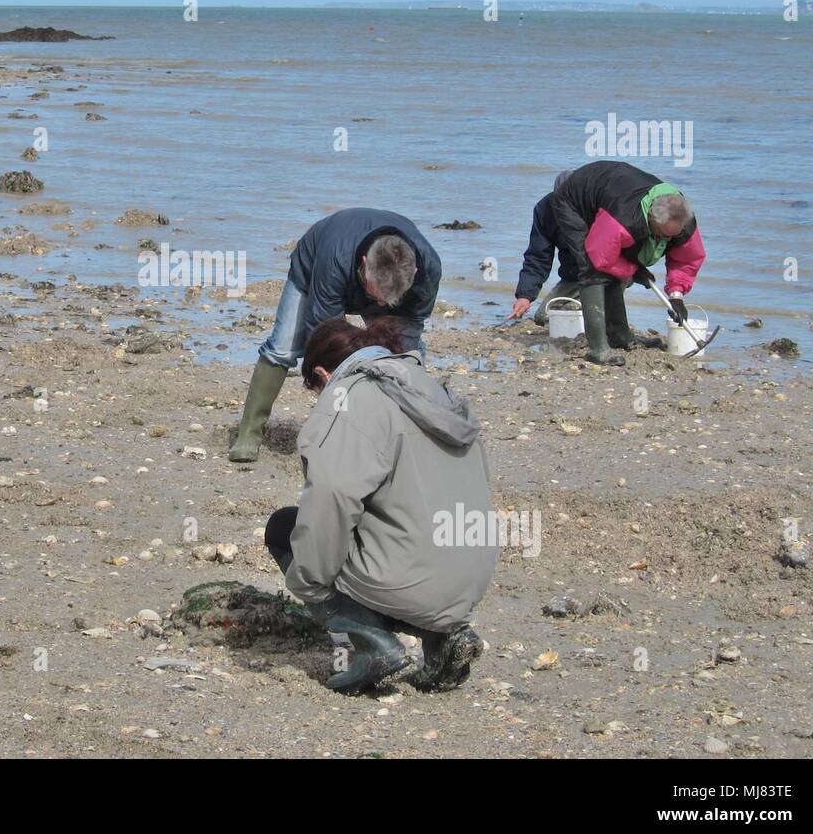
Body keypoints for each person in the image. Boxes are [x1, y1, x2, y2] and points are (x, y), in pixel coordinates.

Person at [264, 316, 496, 693]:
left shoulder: (350, 397)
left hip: (411, 578)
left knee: (286, 529)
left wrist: (310, 584)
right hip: (470, 578)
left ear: (323, 375)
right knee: (400, 524)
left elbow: (333, 495)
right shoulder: (430, 389)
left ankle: (373, 644)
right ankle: (445, 637)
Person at [228, 208, 441, 463]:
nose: (382, 303)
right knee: (282, 348)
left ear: (414, 273)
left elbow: (410, 331)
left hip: (375, 282)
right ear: (364, 263)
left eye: (391, 296)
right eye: (378, 294)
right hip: (314, 265)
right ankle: (249, 434)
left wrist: (397, 355)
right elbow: (325, 336)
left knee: (404, 359)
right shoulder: (334, 259)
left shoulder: (429, 268)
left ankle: (401, 433)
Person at [551, 160, 705, 366]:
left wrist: (676, 295)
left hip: (610, 194)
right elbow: (601, 257)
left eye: (671, 237)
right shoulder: (624, 218)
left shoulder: (684, 221)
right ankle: (598, 348)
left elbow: (687, 259)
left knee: (617, 263)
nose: (663, 242)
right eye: (659, 235)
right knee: (592, 269)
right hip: (574, 201)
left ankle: (619, 335)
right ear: (651, 218)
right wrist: (633, 270)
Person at [507, 169, 582, 325]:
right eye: (561, 201)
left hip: (604, 274)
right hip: (574, 278)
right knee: (543, 317)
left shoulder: (596, 207)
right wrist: (525, 296)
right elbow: (537, 256)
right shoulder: (545, 210)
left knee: (592, 310)